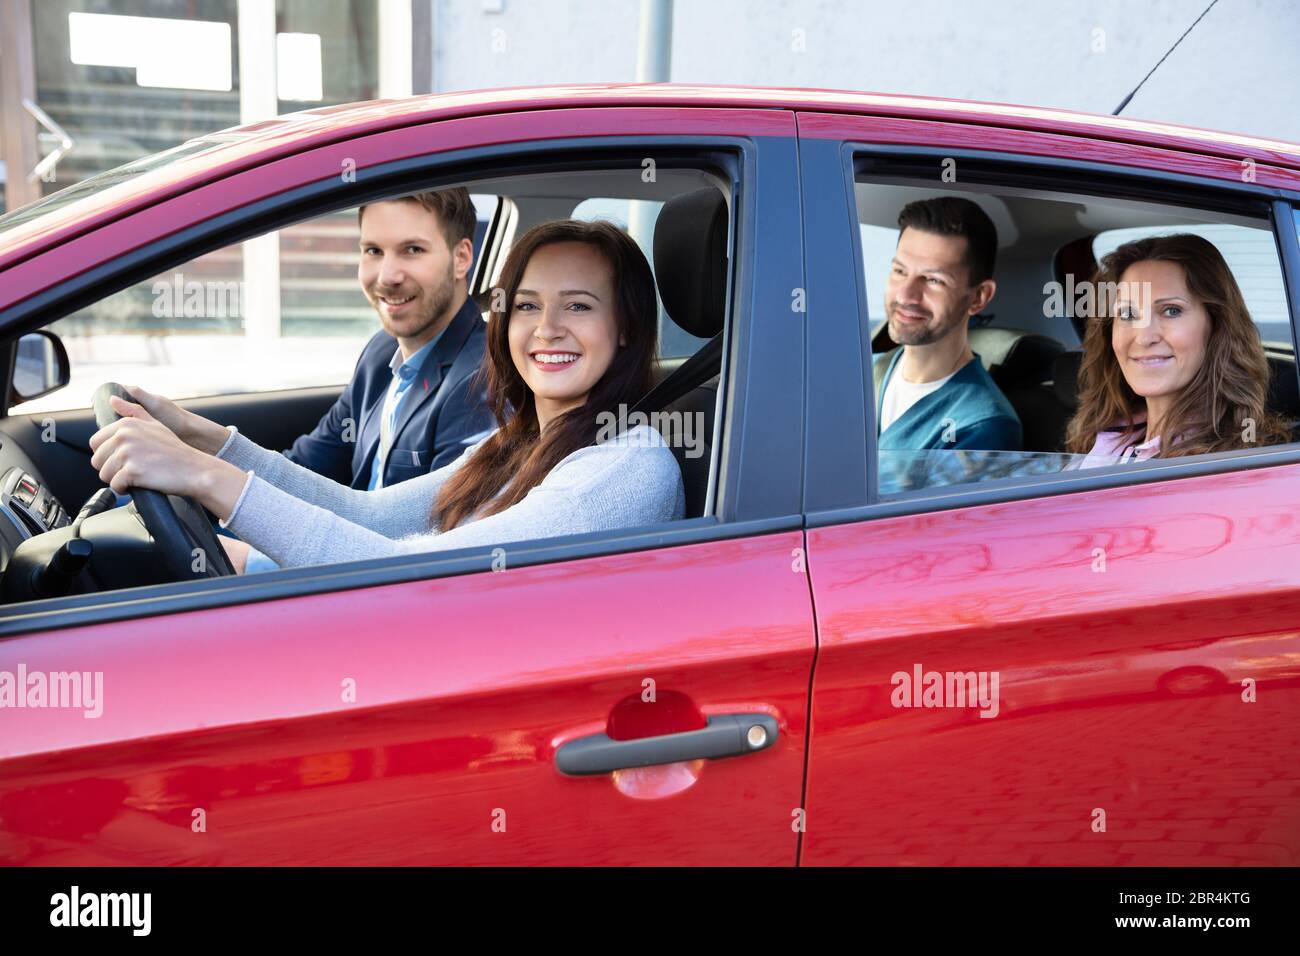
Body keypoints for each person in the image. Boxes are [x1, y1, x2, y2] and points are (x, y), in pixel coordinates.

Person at [88, 220, 685, 571]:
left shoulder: (620, 470)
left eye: (578, 306)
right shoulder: (524, 441)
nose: (547, 328)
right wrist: (206, 441)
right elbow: (371, 518)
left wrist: (202, 479)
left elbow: (412, 575)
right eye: (527, 305)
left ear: (627, 325)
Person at [1065, 233, 1288, 467]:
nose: (1144, 337)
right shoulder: (1105, 437)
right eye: (1127, 314)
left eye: (1171, 311)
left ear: (1216, 326)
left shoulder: (1237, 459)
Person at [872, 197, 1022, 451]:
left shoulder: (982, 425)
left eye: (933, 280)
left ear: (978, 297)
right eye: (899, 271)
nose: (905, 295)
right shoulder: (863, 374)